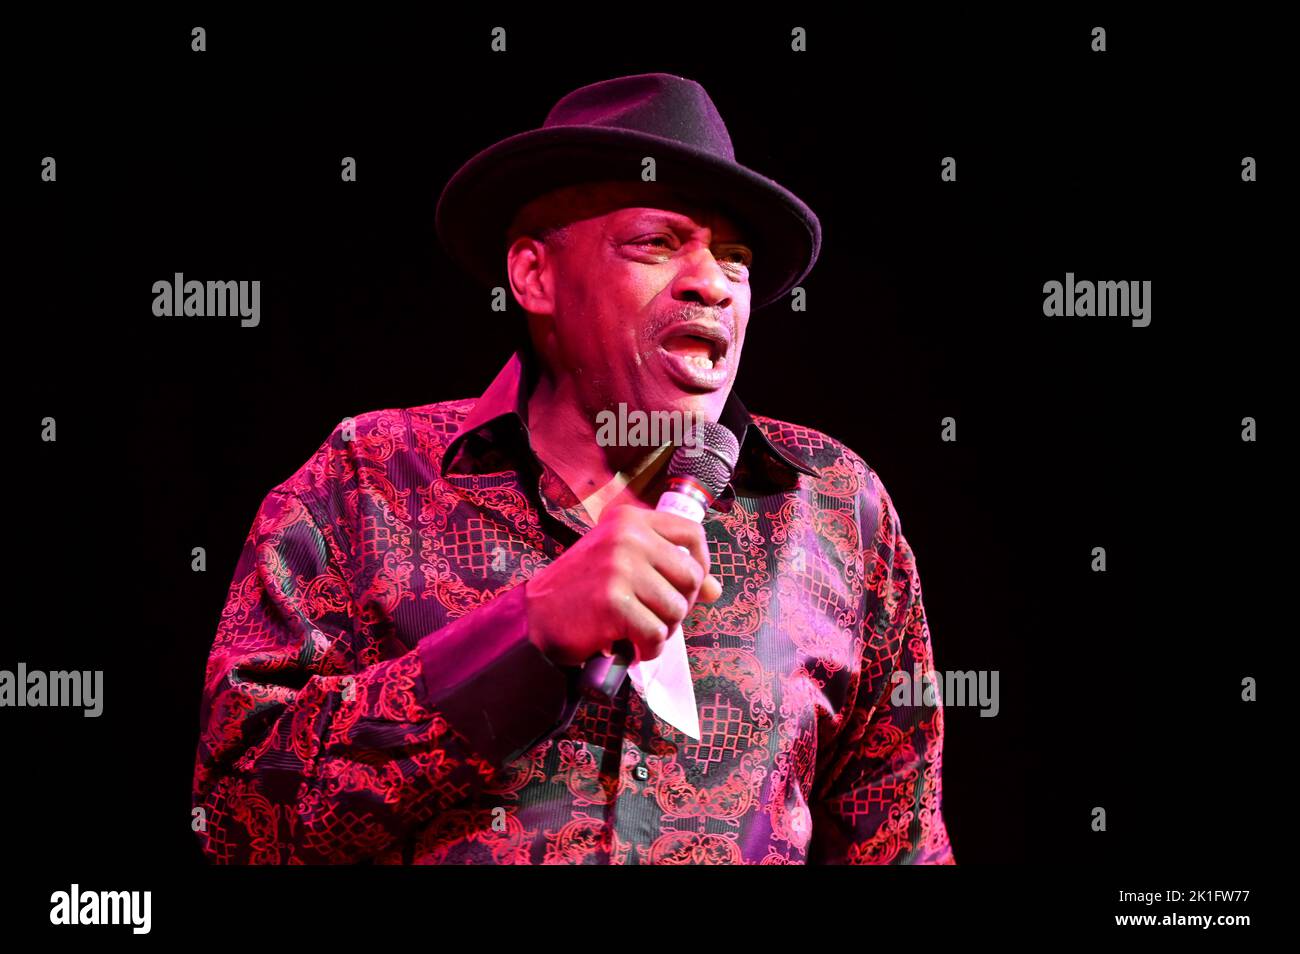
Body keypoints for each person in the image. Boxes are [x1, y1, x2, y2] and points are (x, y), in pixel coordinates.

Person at [190, 73, 955, 864]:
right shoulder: (366, 482)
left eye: (734, 258)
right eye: (657, 242)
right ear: (535, 276)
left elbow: (902, 847)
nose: (710, 282)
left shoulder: (832, 506)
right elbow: (236, 822)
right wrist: (520, 637)